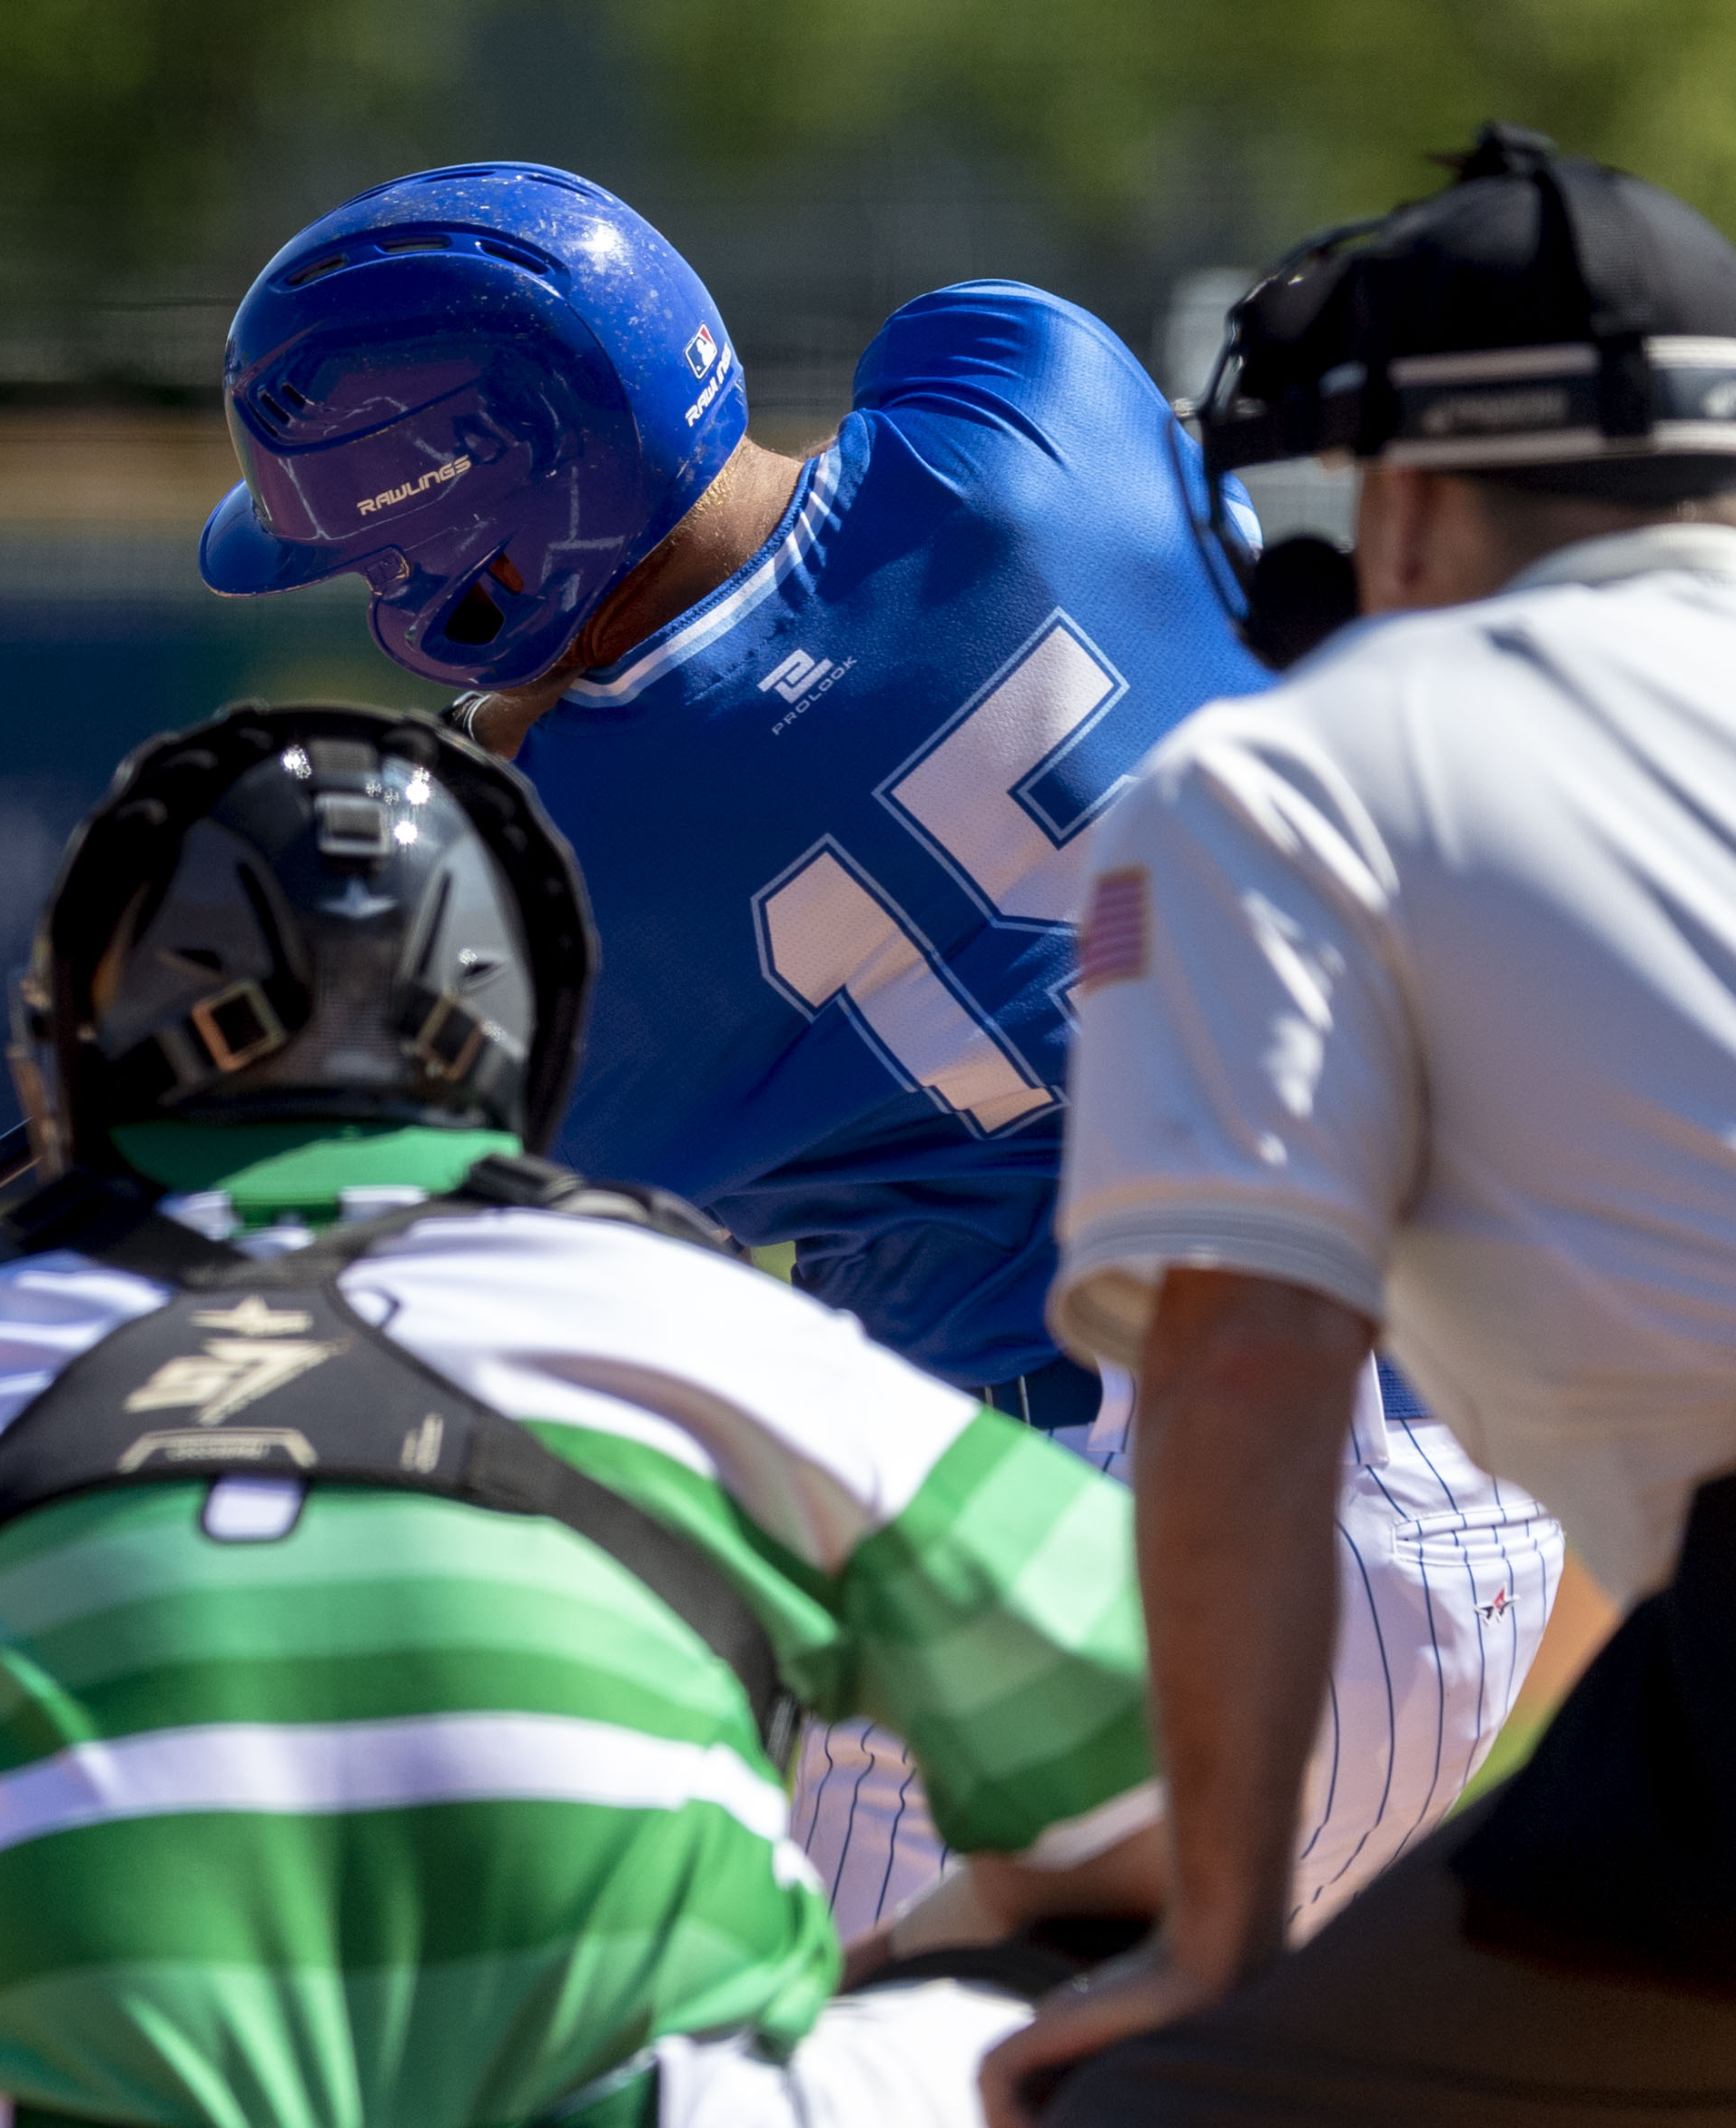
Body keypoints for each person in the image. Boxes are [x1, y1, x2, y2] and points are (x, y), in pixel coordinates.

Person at [191, 160, 1560, 1937]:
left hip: (1133, 1562)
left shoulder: (561, 904)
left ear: (499, 541)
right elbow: (814, 637)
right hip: (1454, 1418)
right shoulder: (1021, 396)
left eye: (373, 544)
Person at [0, 702, 1168, 2128]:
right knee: (1133, 1975)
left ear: (79, 1042)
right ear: (522, 1034)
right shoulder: (715, 1327)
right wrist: (838, 1986)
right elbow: (1184, 1745)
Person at [978, 126, 1736, 2123]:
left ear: (1398, 506)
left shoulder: (1287, 776)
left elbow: (1251, 1359)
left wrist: (1215, 1935)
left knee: (1151, 2102)